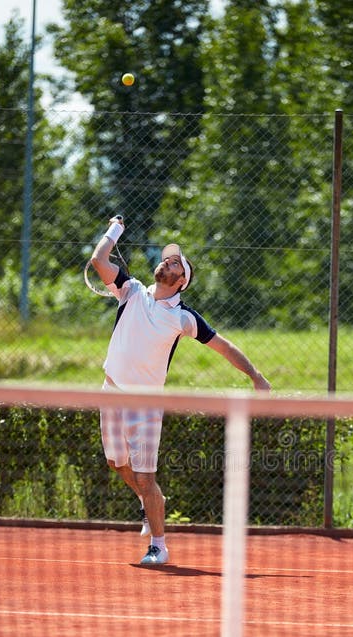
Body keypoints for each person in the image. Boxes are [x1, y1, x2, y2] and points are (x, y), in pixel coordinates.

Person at [91, 215, 271, 567]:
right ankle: (148, 502)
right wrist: (116, 229)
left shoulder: (184, 318)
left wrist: (256, 376)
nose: (166, 261)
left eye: (175, 262)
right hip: (110, 391)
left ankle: (158, 545)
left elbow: (223, 346)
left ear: (182, 280)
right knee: (117, 464)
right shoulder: (130, 290)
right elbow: (99, 261)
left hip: (146, 406)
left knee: (146, 477)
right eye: (166, 258)